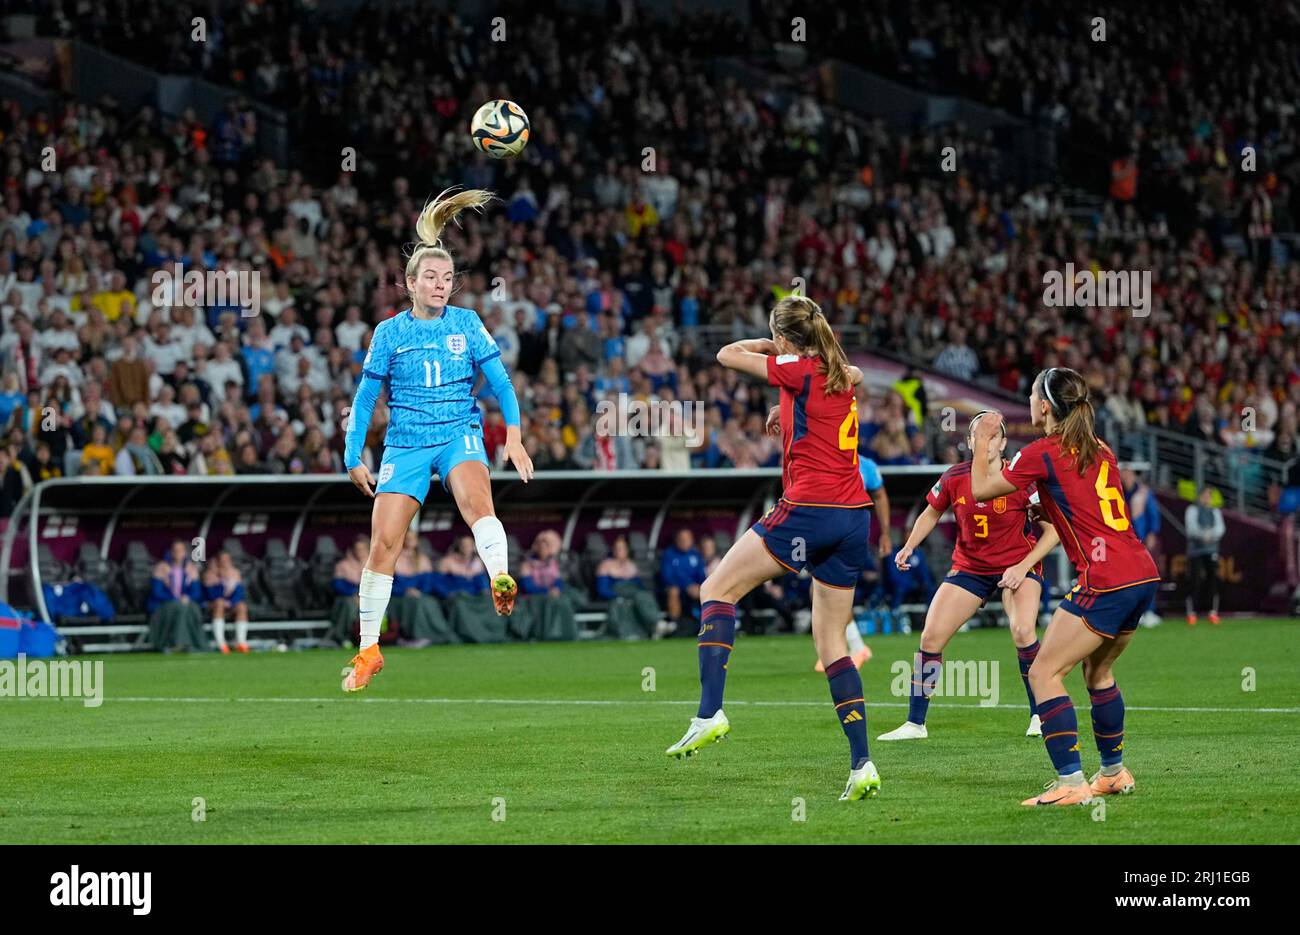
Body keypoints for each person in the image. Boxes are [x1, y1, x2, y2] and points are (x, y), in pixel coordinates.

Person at [664, 295, 881, 801]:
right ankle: (862, 763)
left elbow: (726, 355)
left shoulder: (801, 368)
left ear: (785, 339)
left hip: (810, 510)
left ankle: (709, 712)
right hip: (854, 518)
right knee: (831, 644)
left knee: (716, 587)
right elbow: (851, 378)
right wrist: (784, 409)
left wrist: (766, 345)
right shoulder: (836, 372)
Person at [340, 187, 534, 691]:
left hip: (457, 434)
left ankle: (499, 578)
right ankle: (368, 651)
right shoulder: (388, 333)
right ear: (410, 284)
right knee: (385, 543)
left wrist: (513, 437)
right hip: (405, 443)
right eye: (431, 277)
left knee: (477, 502)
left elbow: (503, 384)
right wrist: (351, 454)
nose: (441, 285)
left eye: (448, 278)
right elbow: (364, 401)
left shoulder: (467, 324)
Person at [970, 367, 1159, 806]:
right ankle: (1112, 774)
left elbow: (980, 488)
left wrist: (982, 439)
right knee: (1099, 672)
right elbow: (1087, 505)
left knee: (1042, 672)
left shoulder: (1042, 451)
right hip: (1141, 573)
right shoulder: (1101, 449)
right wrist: (1050, 512)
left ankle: (1070, 782)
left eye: (1033, 392)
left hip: (1106, 579)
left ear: (1043, 405)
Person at [876, 411, 1060, 741]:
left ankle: (1040, 714)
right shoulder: (954, 477)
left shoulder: (1022, 480)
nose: (986, 440)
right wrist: (909, 546)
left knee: (1022, 630)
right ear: (969, 441)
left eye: (993, 435)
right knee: (930, 637)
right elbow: (931, 512)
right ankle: (915, 724)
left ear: (1003, 443)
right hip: (970, 568)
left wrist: (1022, 567)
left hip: (1018, 565)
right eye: (979, 434)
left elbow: (1052, 532)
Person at [811, 453, 891, 672]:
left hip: (848, 539)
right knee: (820, 591)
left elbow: (881, 495)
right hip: (824, 534)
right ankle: (846, 649)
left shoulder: (865, 466)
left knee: (834, 591)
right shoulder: (825, 459)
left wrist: (885, 533)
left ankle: (846, 650)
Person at [1122, 468, 1163, 627]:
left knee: (1148, 576)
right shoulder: (1117, 491)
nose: (1125, 478)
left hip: (1142, 539)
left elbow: (1153, 514)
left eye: (1127, 474)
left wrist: (1152, 533)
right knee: (1127, 578)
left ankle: (1149, 611)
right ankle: (1132, 613)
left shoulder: (1144, 493)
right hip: (1125, 540)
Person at [1184, 486, 1225, 625]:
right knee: (1195, 580)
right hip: (1196, 551)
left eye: (1209, 495)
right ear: (1200, 496)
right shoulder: (1192, 510)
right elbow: (1191, 529)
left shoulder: (1215, 511)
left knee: (1212, 579)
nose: (1207, 498)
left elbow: (1220, 529)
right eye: (1205, 495)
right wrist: (1203, 536)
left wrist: (1210, 536)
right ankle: (1191, 613)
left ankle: (1212, 612)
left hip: (1211, 550)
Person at [203, 549, 250, 654]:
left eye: (227, 560)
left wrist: (231, 601)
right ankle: (221, 644)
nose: (225, 562)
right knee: (219, 603)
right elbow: (211, 595)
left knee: (242, 606)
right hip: (214, 604)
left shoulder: (234, 573)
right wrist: (220, 578)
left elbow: (239, 593)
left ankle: (241, 642)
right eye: (222, 560)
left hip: (230, 604)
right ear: (217, 561)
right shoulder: (210, 574)